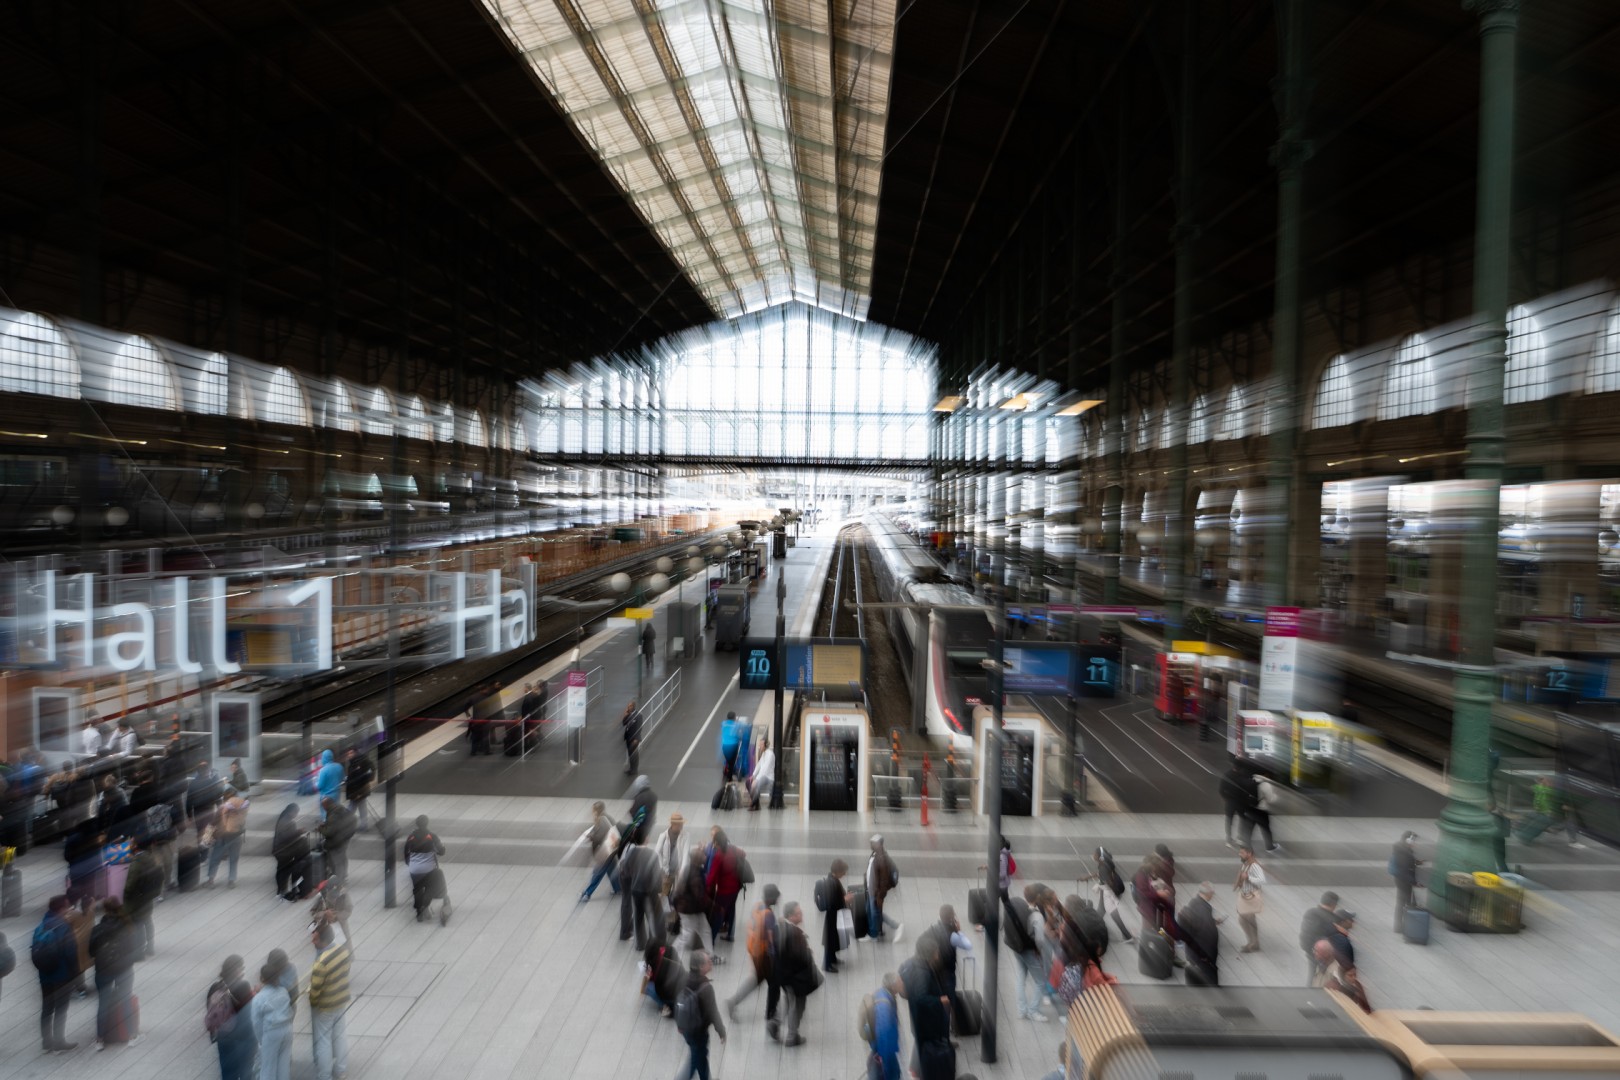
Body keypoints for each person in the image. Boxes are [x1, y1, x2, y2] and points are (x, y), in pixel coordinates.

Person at [87, 897, 140, 1049]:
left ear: (105, 910)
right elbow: (134, 948)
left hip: (103, 970)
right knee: (125, 1000)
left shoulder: (97, 929)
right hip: (123, 969)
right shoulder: (127, 926)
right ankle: (131, 1036)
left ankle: (100, 1039)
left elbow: (91, 951)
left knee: (103, 1004)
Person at [725, 883, 779, 1030]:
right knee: (773, 982)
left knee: (757, 980)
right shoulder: (769, 916)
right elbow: (771, 938)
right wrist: (775, 955)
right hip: (765, 954)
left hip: (754, 949)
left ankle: (734, 1001)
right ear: (772, 898)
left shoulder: (757, 906)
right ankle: (770, 1014)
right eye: (777, 896)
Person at [900, 935, 954, 1080]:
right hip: (925, 1019)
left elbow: (901, 975)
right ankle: (919, 1072)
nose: (938, 954)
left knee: (920, 1042)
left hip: (919, 1018)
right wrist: (939, 1000)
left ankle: (915, 1069)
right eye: (936, 951)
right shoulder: (922, 972)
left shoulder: (912, 963)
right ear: (928, 953)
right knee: (924, 1044)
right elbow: (921, 997)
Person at [34, 896, 80, 1052]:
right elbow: (71, 952)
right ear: (61, 909)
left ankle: (46, 1043)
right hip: (61, 975)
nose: (68, 910)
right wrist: (76, 974)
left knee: (47, 1008)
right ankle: (59, 1042)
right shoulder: (64, 927)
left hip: (44, 975)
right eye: (67, 907)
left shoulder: (40, 926)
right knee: (61, 1009)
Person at [308, 921, 351, 1080]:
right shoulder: (342, 950)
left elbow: (315, 991)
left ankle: (325, 1075)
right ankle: (341, 1070)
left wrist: (312, 1001)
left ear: (324, 940)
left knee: (323, 1041)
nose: (312, 941)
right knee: (339, 1036)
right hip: (341, 1000)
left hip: (325, 1006)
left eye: (316, 939)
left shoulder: (321, 963)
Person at [677, 949, 726, 1080]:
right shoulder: (706, 988)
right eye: (708, 961)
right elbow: (713, 1012)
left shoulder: (685, 978)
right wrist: (721, 1031)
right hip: (699, 1031)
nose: (711, 962)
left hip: (687, 1028)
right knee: (695, 1060)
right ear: (700, 967)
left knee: (700, 1057)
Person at [208, 955, 258, 1080]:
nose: (243, 970)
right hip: (243, 1038)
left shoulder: (215, 987)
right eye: (242, 967)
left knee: (228, 1074)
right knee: (246, 1072)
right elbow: (251, 1010)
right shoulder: (243, 985)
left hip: (223, 1037)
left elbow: (211, 1012)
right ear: (236, 969)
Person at [1004, 886, 1049, 1022]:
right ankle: (1033, 1010)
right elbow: (1040, 939)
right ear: (1037, 898)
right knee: (1041, 981)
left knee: (1021, 977)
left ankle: (1022, 1010)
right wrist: (1039, 951)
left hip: (1016, 948)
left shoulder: (1018, 906)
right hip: (1029, 950)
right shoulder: (1037, 916)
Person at [775, 901, 817, 1047]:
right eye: (798, 913)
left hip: (784, 975)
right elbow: (799, 957)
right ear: (791, 916)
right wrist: (807, 952)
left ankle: (775, 1023)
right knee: (796, 1005)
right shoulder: (794, 933)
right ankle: (792, 1036)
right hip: (795, 978)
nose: (802, 915)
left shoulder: (782, 927)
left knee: (788, 1000)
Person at [404, 815, 451, 924]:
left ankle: (418, 912)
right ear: (427, 823)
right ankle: (425, 905)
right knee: (433, 883)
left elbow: (406, 853)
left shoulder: (411, 837)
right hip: (429, 868)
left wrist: (411, 864)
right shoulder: (432, 836)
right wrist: (441, 848)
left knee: (417, 887)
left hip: (414, 868)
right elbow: (441, 851)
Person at [251, 961, 295, 1080]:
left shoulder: (259, 998)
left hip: (271, 1032)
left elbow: (256, 1023)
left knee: (268, 1068)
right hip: (287, 1030)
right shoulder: (283, 991)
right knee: (283, 1066)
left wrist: (262, 1039)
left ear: (262, 978)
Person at [623, 836, 667, 950]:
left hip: (635, 890)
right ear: (646, 839)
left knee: (638, 917)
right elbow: (656, 874)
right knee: (652, 917)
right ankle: (654, 944)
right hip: (649, 890)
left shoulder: (631, 852)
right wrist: (659, 890)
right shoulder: (652, 854)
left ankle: (639, 944)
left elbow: (625, 870)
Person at [123, 836, 163, 957]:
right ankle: (150, 947)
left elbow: (130, 885)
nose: (130, 843)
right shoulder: (151, 858)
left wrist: (124, 893)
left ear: (136, 846)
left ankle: (139, 951)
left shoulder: (137, 863)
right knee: (147, 921)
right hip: (148, 896)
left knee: (138, 924)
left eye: (132, 842)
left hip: (136, 899)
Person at [1177, 883, 1221, 987]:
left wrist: (1213, 921)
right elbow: (1207, 934)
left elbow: (1197, 924)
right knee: (1209, 980)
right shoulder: (1203, 909)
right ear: (1209, 893)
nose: (1213, 895)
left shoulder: (1195, 904)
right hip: (1203, 953)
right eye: (1213, 893)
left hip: (1193, 952)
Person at [705, 826, 743, 943]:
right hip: (736, 887)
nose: (713, 844)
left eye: (714, 842)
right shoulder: (733, 849)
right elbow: (743, 854)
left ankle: (710, 940)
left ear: (717, 842)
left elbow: (711, 876)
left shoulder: (719, 855)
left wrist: (706, 888)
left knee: (718, 915)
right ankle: (730, 935)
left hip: (724, 891)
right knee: (731, 910)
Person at [918, 905, 962, 1009]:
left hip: (934, 970)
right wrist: (959, 933)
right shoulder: (951, 933)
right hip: (947, 972)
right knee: (949, 1001)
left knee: (937, 997)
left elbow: (920, 941)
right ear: (952, 917)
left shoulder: (933, 929)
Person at [674, 847, 716, 953]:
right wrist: (714, 905)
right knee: (686, 935)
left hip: (694, 908)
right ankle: (671, 954)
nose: (705, 856)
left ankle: (709, 955)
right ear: (698, 858)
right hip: (689, 909)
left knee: (705, 930)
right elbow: (699, 895)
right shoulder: (695, 873)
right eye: (703, 855)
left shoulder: (691, 868)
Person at [207, 785, 249, 889]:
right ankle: (231, 881)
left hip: (222, 837)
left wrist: (207, 837)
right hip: (237, 836)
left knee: (215, 858)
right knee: (233, 859)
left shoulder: (222, 807)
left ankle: (211, 880)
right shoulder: (242, 807)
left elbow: (213, 823)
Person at [1092, 846, 1135, 944]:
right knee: (1103, 911)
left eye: (1094, 854)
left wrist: (1101, 886)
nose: (1093, 855)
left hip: (1107, 892)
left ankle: (1127, 935)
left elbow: (1107, 881)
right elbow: (1102, 875)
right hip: (1108, 891)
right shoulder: (1105, 863)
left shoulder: (1103, 866)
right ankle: (1126, 935)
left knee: (1107, 912)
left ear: (1099, 856)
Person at [579, 801, 621, 902]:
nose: (592, 812)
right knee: (611, 870)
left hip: (606, 852)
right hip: (612, 849)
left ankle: (587, 893)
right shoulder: (607, 818)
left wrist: (590, 837)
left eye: (593, 810)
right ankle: (618, 888)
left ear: (597, 810)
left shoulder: (601, 819)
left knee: (597, 873)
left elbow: (599, 836)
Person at [866, 971, 904, 1080]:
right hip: (885, 1050)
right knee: (891, 1073)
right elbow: (884, 1036)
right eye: (899, 982)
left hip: (879, 1045)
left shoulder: (881, 993)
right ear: (893, 986)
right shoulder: (885, 1008)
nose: (902, 983)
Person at [865, 835, 903, 942]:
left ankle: (876, 933)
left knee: (875, 912)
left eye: (873, 843)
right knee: (873, 912)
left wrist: (880, 896)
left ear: (880, 844)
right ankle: (878, 932)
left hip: (875, 893)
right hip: (871, 890)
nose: (871, 845)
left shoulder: (881, 858)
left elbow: (883, 880)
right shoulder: (875, 854)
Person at [1299, 890, 1341, 985]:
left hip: (1309, 948)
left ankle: (1310, 993)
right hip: (1322, 952)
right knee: (1320, 975)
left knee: (1314, 973)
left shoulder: (1311, 912)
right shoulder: (1330, 919)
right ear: (1333, 904)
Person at [273, 805, 312, 899]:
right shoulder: (288, 822)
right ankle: (282, 890)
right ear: (291, 812)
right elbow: (286, 837)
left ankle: (281, 890)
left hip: (280, 850)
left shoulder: (283, 819)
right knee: (284, 871)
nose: (296, 815)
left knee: (281, 870)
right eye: (296, 812)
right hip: (284, 851)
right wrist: (299, 832)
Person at [317, 796, 358, 886]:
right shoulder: (339, 808)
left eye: (323, 805)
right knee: (342, 858)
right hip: (344, 838)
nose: (322, 807)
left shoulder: (333, 814)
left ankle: (339, 879)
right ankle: (343, 877)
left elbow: (329, 832)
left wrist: (321, 829)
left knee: (336, 860)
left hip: (337, 840)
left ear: (326, 805)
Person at [1233, 845, 1266, 953]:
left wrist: (1248, 877)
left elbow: (1262, 880)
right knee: (1246, 919)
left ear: (1249, 853)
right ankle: (1253, 942)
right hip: (1245, 895)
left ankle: (1253, 942)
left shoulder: (1254, 866)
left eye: (1242, 853)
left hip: (1251, 896)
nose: (1240, 854)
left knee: (1245, 919)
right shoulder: (1246, 864)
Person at [821, 858, 852, 973]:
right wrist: (845, 900)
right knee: (830, 940)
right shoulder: (832, 882)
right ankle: (827, 964)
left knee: (833, 939)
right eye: (843, 871)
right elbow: (833, 902)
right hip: (832, 917)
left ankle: (832, 959)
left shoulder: (832, 879)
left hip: (833, 916)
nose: (844, 874)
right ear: (838, 871)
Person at [654, 811, 691, 901]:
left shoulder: (686, 836)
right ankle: (662, 913)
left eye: (681, 824)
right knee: (663, 894)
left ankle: (675, 913)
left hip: (678, 871)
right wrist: (662, 867)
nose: (681, 826)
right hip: (667, 871)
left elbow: (686, 854)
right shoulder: (663, 836)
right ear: (673, 824)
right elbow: (656, 852)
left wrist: (682, 870)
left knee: (678, 895)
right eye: (679, 824)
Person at [1220, 760, 1257, 848]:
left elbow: (1221, 790)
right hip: (1241, 802)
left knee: (1229, 820)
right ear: (1241, 767)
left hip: (1230, 802)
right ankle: (1240, 837)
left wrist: (1225, 798)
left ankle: (1229, 839)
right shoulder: (1244, 775)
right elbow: (1249, 787)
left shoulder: (1226, 775)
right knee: (1242, 819)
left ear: (1233, 766)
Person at [1390, 831, 1420, 932]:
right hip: (1403, 881)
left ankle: (1402, 925)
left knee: (1404, 902)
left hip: (1403, 880)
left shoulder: (1403, 849)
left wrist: (1416, 862)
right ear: (1408, 840)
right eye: (1413, 840)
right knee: (1403, 903)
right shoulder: (1403, 851)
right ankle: (1400, 927)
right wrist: (1413, 882)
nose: (1414, 843)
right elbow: (1404, 869)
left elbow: (1407, 864)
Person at [343, 749, 374, 830]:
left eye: (351, 753)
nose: (349, 755)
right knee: (361, 807)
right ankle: (363, 825)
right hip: (359, 790)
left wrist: (357, 793)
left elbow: (359, 778)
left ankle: (347, 825)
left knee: (352, 808)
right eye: (348, 753)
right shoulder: (356, 762)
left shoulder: (357, 763)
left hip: (357, 791)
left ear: (355, 753)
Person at [1250, 773, 1281, 852]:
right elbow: (1270, 799)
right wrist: (1275, 796)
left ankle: (1245, 845)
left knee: (1249, 828)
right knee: (1265, 829)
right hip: (1262, 810)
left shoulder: (1250, 780)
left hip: (1251, 809)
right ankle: (1269, 847)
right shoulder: (1266, 784)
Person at [626, 774, 657, 846]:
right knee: (644, 842)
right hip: (649, 824)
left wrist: (630, 812)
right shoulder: (654, 795)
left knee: (636, 844)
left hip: (640, 826)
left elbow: (633, 812)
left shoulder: (640, 797)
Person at [748, 738, 775, 810]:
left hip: (768, 777)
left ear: (765, 745)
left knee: (757, 784)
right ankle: (756, 804)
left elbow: (765, 770)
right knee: (748, 782)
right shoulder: (763, 754)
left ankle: (752, 804)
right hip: (763, 776)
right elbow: (759, 765)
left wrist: (756, 779)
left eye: (761, 744)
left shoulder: (770, 754)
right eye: (759, 744)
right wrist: (753, 776)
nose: (760, 746)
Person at [621, 700, 643, 775]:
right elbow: (624, 723)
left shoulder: (638, 715)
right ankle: (631, 768)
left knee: (634, 754)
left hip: (634, 739)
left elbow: (639, 727)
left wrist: (637, 738)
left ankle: (635, 769)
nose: (628, 707)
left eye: (630, 706)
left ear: (633, 706)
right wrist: (625, 714)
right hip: (628, 738)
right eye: (628, 706)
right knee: (630, 753)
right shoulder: (629, 715)